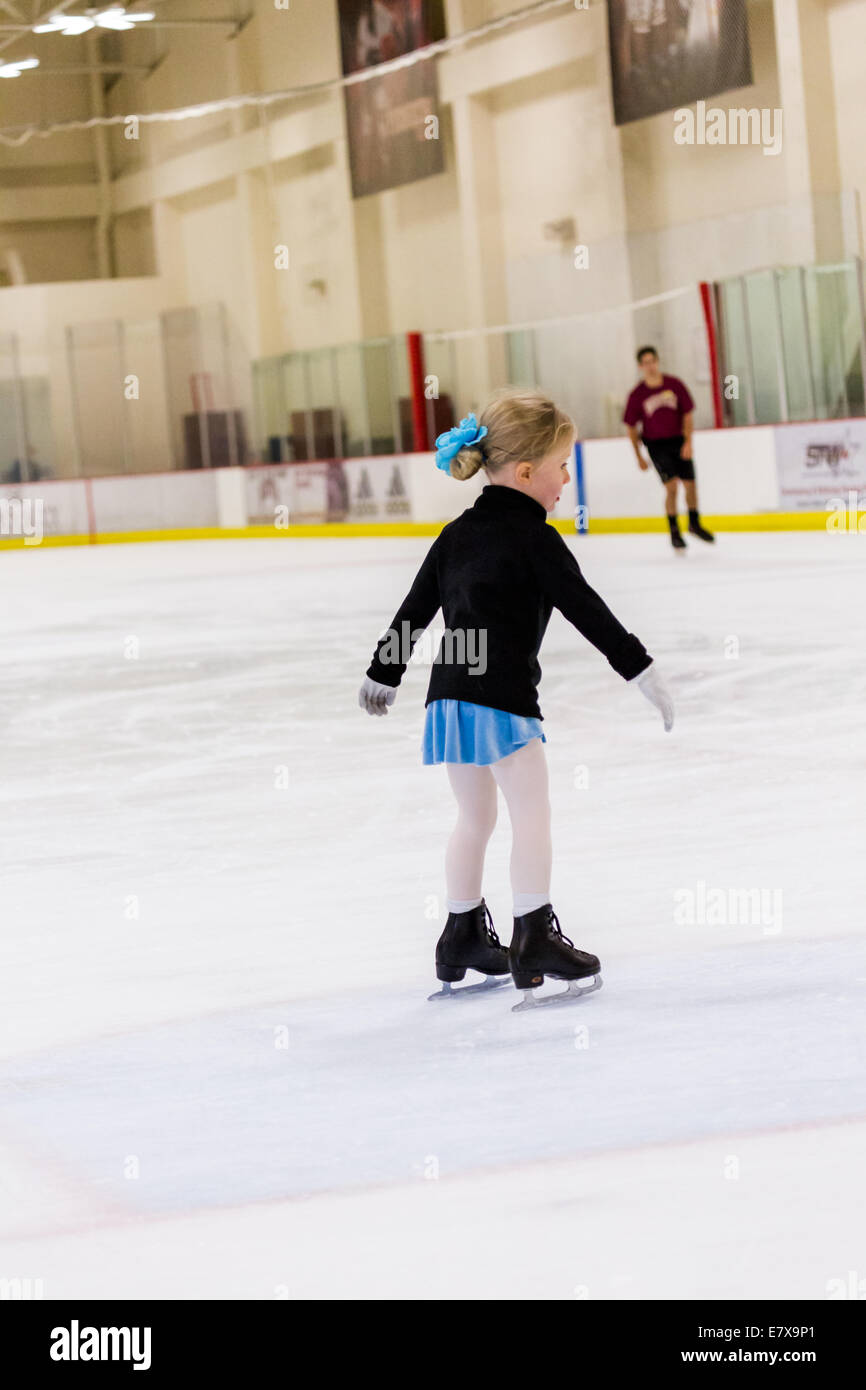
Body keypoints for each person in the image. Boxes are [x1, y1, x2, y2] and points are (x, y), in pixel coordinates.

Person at [358, 390, 674, 1011]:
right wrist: (642, 671)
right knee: (533, 812)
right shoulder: (536, 538)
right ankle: (533, 937)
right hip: (500, 699)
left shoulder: (455, 533)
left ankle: (462, 937)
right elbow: (589, 612)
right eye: (562, 468)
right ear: (527, 473)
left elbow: (414, 610)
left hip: (447, 698)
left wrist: (383, 672)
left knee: (474, 818)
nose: (565, 482)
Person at [623, 345, 715, 550]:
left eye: (652, 361)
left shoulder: (674, 385)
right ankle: (674, 530)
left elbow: (687, 414)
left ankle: (694, 522)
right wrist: (638, 456)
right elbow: (630, 425)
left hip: (678, 441)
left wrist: (689, 442)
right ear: (640, 366)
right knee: (672, 486)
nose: (650, 366)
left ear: (658, 362)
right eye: (645, 363)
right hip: (656, 445)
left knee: (690, 485)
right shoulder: (638, 394)